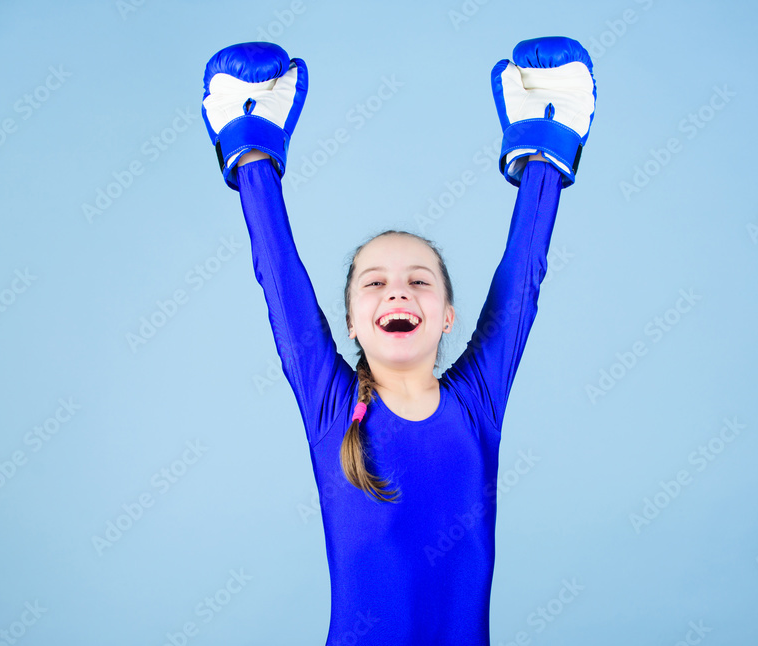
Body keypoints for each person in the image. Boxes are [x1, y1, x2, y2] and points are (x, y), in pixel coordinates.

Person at [201, 36, 595, 645]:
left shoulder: (477, 401)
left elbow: (523, 276)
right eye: (375, 283)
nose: (398, 294)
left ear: (446, 316)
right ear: (351, 323)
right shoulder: (331, 405)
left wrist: (548, 148)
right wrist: (251, 155)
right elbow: (277, 273)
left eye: (419, 281)